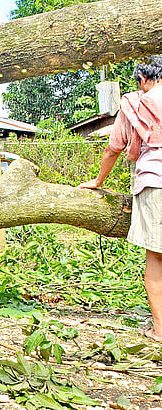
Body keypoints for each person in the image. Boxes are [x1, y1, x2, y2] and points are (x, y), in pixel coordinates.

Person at [79, 56, 162, 342]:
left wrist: (98, 182)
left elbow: (114, 148)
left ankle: (160, 330)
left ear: (142, 80)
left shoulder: (136, 102)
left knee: (156, 257)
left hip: (156, 182)